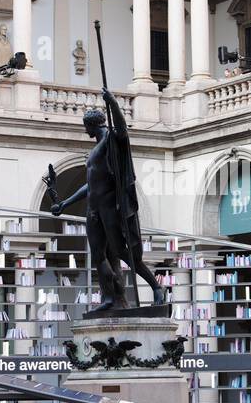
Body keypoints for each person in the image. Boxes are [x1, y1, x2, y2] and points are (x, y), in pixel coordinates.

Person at [48, 88, 167, 312]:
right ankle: (110, 297)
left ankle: (156, 287)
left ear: (94, 125)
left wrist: (112, 102)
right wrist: (65, 203)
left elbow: (123, 131)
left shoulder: (110, 141)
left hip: (109, 209)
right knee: (97, 255)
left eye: (86, 126)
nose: (85, 130)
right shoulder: (94, 151)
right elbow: (90, 186)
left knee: (123, 253)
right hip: (93, 210)